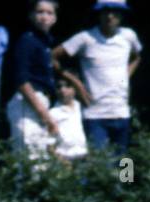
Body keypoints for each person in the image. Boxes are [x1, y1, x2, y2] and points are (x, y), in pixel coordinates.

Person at [53, 1, 142, 155]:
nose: (110, 16)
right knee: (100, 164)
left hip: (122, 112)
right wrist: (76, 84)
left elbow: (137, 57)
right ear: (98, 14)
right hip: (95, 114)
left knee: (124, 160)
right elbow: (52, 57)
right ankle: (104, 180)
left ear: (122, 15)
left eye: (115, 12)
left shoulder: (129, 35)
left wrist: (125, 76)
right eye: (105, 11)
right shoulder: (85, 38)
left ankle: (126, 180)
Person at [7, 0, 63, 170]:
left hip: (41, 103)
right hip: (28, 102)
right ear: (31, 15)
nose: (44, 17)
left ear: (55, 18)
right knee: (30, 161)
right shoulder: (27, 41)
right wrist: (45, 116)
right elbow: (22, 82)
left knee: (42, 162)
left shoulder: (46, 43)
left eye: (49, 13)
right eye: (40, 12)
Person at [47, 76, 89, 163]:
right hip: (65, 160)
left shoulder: (83, 108)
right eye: (59, 87)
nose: (63, 90)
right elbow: (49, 145)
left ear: (75, 89)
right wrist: (64, 162)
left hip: (86, 158)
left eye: (67, 86)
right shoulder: (52, 113)